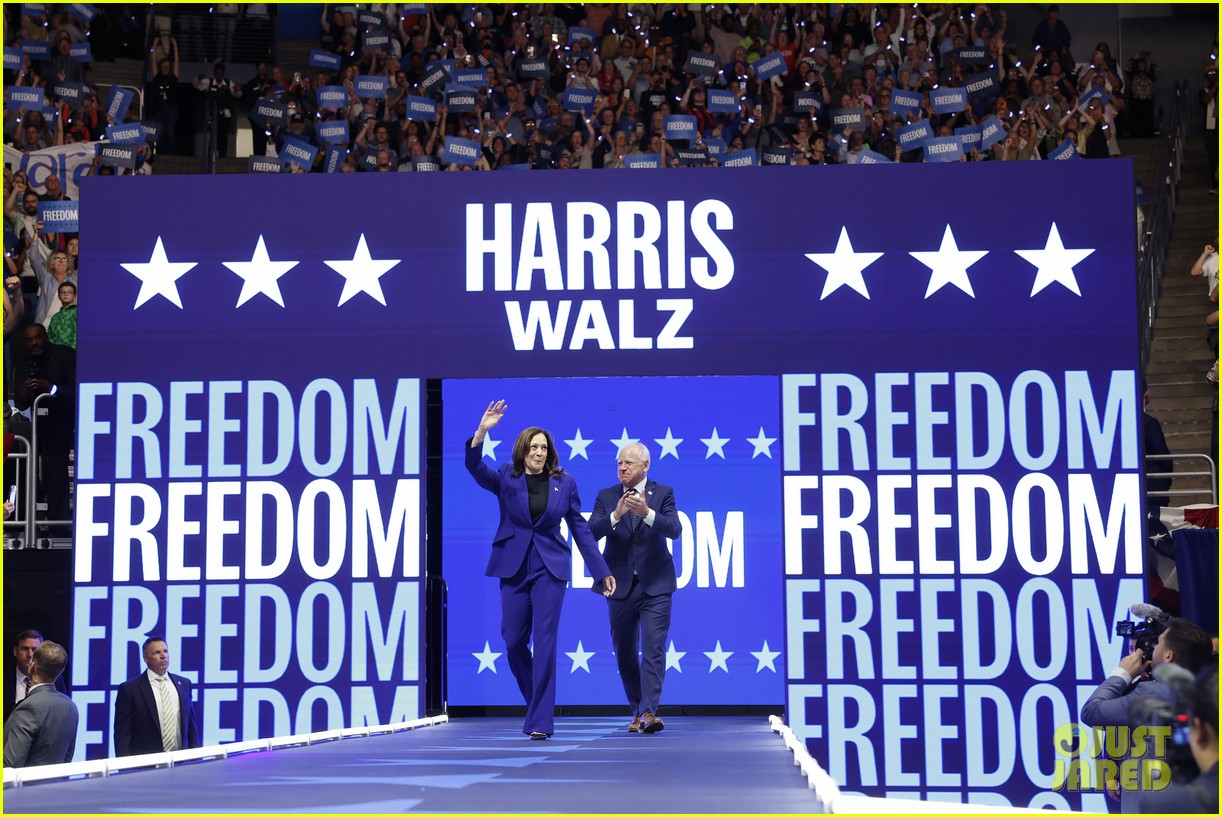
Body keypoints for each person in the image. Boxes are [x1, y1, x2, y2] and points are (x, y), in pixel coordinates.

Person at [464, 400, 615, 739]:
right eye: (533, 447)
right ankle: (538, 703)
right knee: (514, 641)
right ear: (522, 450)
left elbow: (580, 528)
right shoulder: (505, 476)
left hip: (550, 569)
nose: (539, 453)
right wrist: (482, 432)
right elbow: (475, 467)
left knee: (546, 643)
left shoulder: (566, 483)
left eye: (544, 448)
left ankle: (541, 722)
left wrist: (600, 569)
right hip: (513, 567)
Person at [587, 443, 682, 735]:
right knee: (625, 653)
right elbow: (589, 533)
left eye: (628, 463)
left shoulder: (663, 493)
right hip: (619, 586)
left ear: (645, 466)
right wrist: (615, 516)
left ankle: (649, 713)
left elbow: (674, 529)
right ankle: (637, 711)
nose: (622, 468)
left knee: (654, 649)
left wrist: (647, 513)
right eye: (619, 463)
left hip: (656, 585)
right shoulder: (606, 496)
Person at [1081, 617, 1213, 806]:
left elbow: (1091, 712)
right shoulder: (1210, 693)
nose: (1150, 650)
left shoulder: (1149, 693)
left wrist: (1122, 674)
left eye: (1157, 643)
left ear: (1168, 656)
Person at [113, 636, 201, 756]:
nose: (163, 656)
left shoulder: (184, 684)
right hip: (146, 765)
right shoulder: (130, 689)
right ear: (146, 658)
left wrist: (195, 759)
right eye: (156, 652)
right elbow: (123, 734)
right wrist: (124, 767)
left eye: (165, 651)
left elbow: (191, 727)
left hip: (181, 762)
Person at [2, 640, 77, 768]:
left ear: (32, 665)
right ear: (62, 670)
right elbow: (67, 758)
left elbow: (10, 764)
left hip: (24, 786)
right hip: (54, 784)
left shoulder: (28, 707)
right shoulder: (71, 706)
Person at [6, 629, 67, 720]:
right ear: (15, 651)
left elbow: (62, 712)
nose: (30, 654)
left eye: (34, 650)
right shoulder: (4, 678)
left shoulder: (56, 679)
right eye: (25, 649)